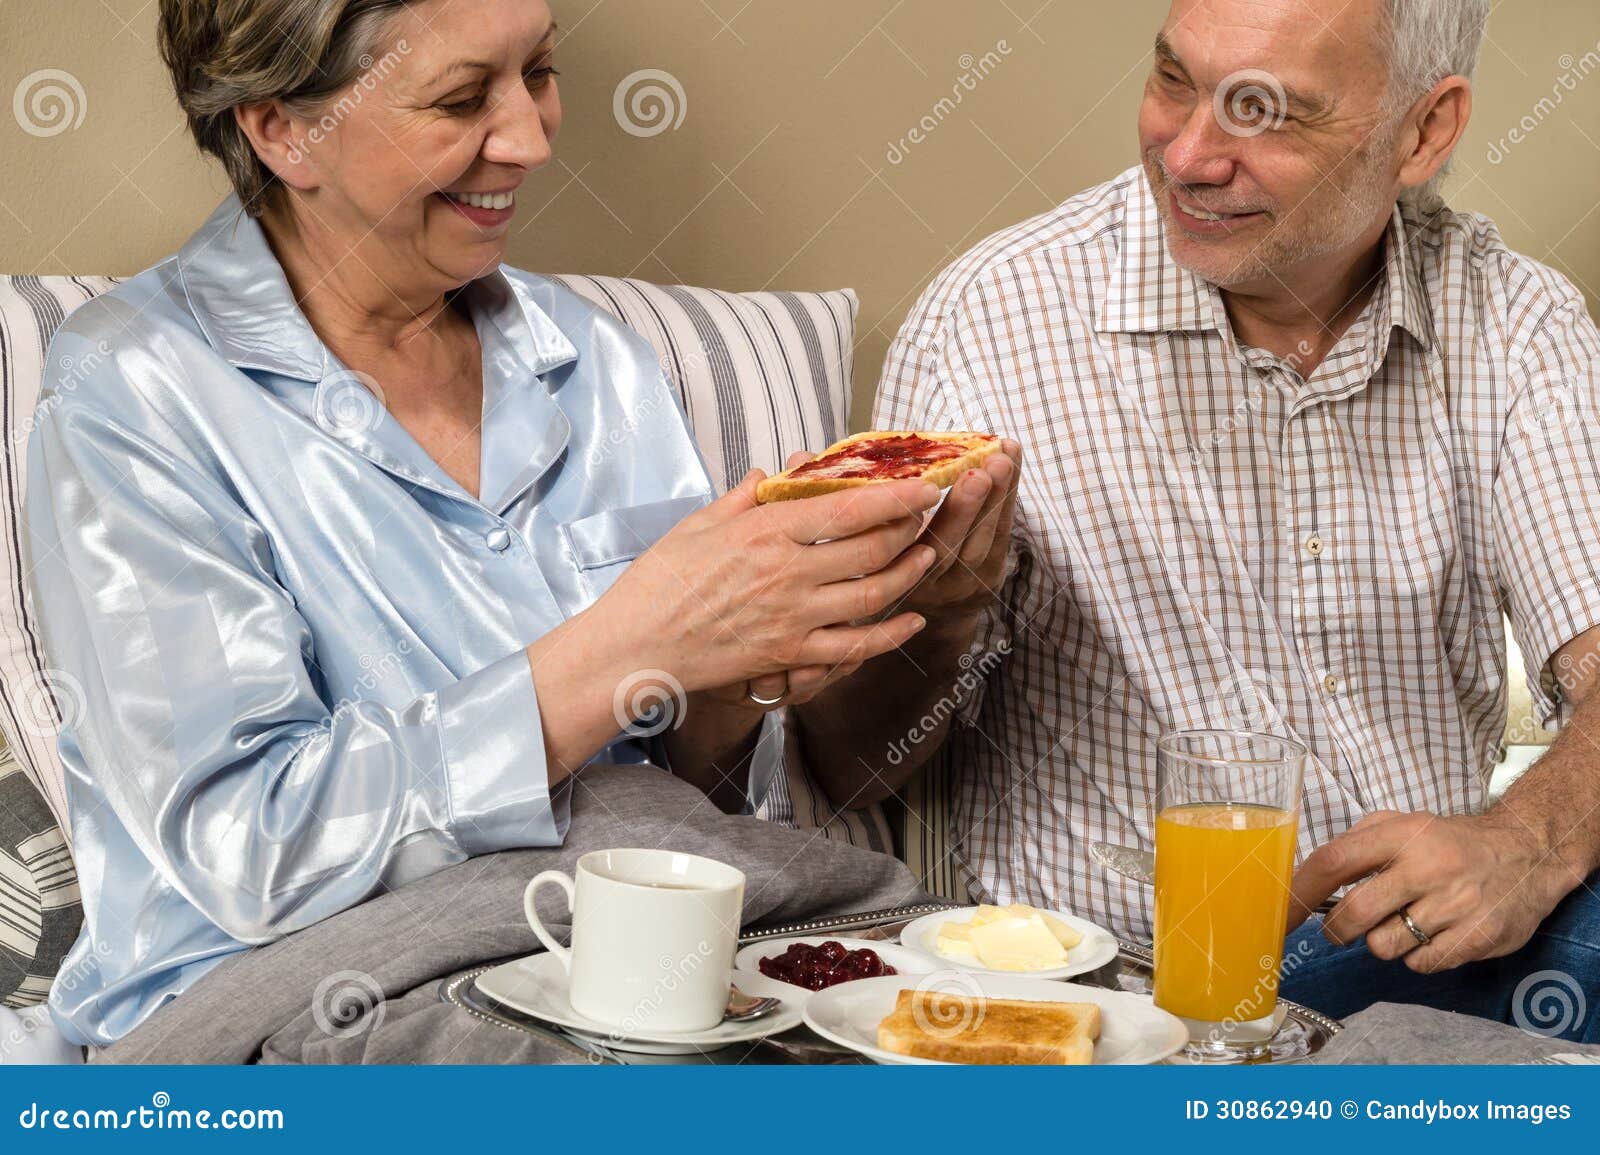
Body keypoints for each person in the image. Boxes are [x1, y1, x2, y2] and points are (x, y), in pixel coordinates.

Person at [25, 0, 1017, 1049]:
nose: (531, 140)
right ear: (282, 130)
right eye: (462, 100)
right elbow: (248, 854)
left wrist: (736, 673)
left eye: (539, 74)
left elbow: (698, 816)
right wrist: (625, 644)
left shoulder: (595, 360)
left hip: (623, 949)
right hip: (293, 996)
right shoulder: (132, 385)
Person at [846, 0, 1600, 1036]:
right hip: (1118, 996)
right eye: (1173, 80)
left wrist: (1529, 839)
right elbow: (855, 767)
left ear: (1424, 131)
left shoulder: (1516, 323)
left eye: (1268, 113)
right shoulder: (990, 319)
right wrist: (933, 619)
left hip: (1417, 978)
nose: (1188, 158)